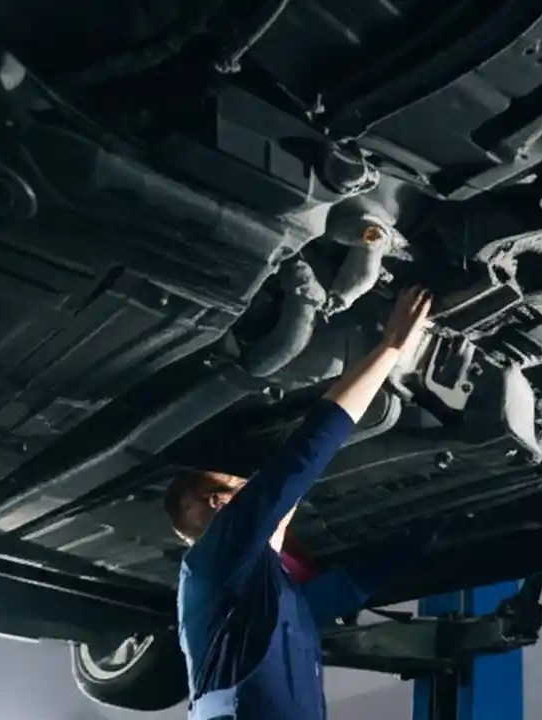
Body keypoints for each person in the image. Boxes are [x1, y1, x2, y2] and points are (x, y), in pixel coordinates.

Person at [163, 286, 433, 720]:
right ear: (217, 501)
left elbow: (300, 461)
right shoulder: (259, 589)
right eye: (243, 483)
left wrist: (391, 348)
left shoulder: (213, 568)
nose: (258, 489)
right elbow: (350, 587)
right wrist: (429, 531)